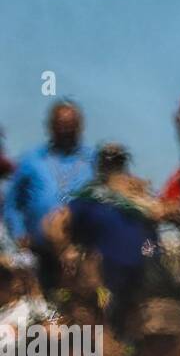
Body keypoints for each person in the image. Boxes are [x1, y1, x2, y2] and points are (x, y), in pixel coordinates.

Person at [44, 143, 168, 333]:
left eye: (118, 161)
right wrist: (65, 250)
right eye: (109, 161)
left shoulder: (138, 195)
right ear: (100, 165)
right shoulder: (89, 195)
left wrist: (139, 198)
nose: (113, 166)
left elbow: (160, 213)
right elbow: (54, 224)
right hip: (105, 284)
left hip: (145, 281)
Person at [2, 101, 94, 288]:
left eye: (71, 125)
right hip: (40, 251)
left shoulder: (93, 159)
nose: (66, 130)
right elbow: (11, 203)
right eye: (61, 125)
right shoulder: (31, 159)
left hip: (83, 251)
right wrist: (19, 232)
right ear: (50, 127)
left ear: (80, 126)